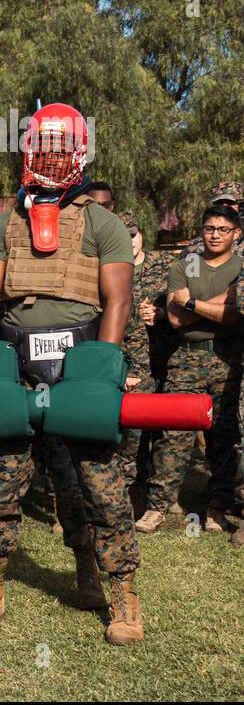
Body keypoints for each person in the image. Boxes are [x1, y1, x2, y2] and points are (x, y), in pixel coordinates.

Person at [0, 103, 142, 645]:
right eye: (43, 145)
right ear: (27, 149)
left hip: (81, 367)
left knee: (99, 487)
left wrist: (99, 374)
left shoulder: (104, 223)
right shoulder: (3, 225)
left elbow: (118, 302)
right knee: (0, 484)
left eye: (62, 147)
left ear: (79, 151)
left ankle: (119, 592)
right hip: (15, 367)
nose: (51, 157)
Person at [146, 204, 242, 533]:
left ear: (236, 234)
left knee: (224, 436)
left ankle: (218, 506)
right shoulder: (186, 264)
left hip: (229, 360)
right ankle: (158, 506)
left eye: (223, 229)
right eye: (209, 228)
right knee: (172, 434)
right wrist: (219, 305)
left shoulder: (240, 268)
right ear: (201, 230)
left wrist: (191, 304)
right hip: (186, 356)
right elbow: (174, 319)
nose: (215, 234)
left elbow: (236, 316)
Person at [116, 211, 176, 505]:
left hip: (168, 359)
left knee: (168, 432)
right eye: (122, 236)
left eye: (133, 235)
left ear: (141, 235)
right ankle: (129, 492)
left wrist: (162, 314)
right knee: (133, 433)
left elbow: (183, 304)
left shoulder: (166, 265)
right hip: (133, 364)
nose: (129, 242)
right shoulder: (111, 269)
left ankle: (163, 495)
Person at [180, 181, 244, 259]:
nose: (224, 206)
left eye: (230, 202)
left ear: (241, 205)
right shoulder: (195, 247)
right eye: (219, 203)